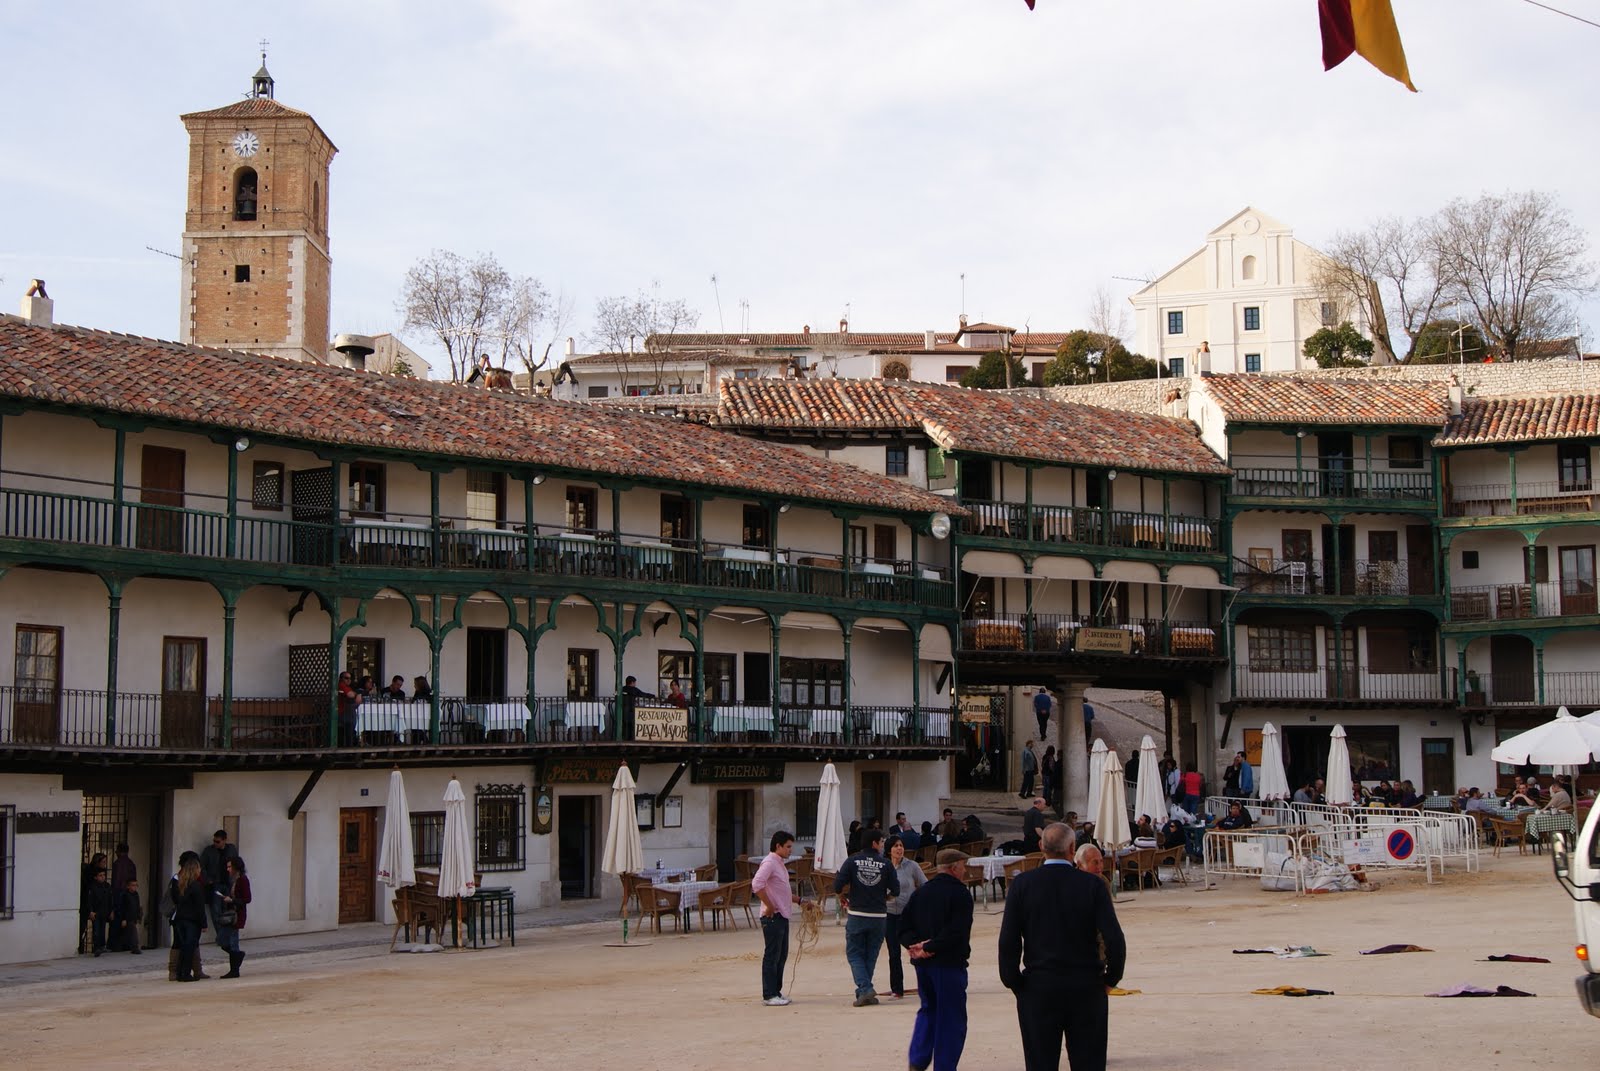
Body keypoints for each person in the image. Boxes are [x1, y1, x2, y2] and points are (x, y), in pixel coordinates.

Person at [999, 822, 1126, 1071]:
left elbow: (1008, 940)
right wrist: (1111, 978)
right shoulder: (1092, 885)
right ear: (1072, 848)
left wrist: (1014, 982)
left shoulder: (1022, 885)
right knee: (1089, 1062)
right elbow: (1114, 938)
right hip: (1086, 986)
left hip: (1039, 985)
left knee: (1040, 1062)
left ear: (1041, 846)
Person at [898, 848, 974, 1071]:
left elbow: (903, 927)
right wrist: (929, 947)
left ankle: (917, 1060)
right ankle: (944, 1066)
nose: (965, 870)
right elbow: (957, 932)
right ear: (954, 868)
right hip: (948, 964)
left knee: (928, 1010)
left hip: (923, 966)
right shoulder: (960, 894)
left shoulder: (921, 893)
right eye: (963, 866)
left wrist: (916, 946)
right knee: (951, 1019)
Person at [834, 828, 899, 1007]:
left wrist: (842, 897)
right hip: (879, 916)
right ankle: (865, 992)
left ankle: (865, 989)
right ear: (874, 843)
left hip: (857, 914)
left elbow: (837, 885)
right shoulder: (886, 864)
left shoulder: (852, 861)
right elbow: (896, 890)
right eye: (882, 842)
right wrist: (885, 898)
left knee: (855, 954)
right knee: (871, 955)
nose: (883, 845)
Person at [752, 830, 795, 1006]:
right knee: (772, 955)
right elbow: (757, 884)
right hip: (772, 916)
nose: (790, 850)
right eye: (788, 847)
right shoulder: (770, 862)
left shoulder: (780, 864)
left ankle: (776, 991)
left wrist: (800, 900)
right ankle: (769, 994)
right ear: (778, 846)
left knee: (781, 955)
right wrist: (769, 905)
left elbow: (781, 890)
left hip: (782, 914)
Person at [884, 834, 927, 1000]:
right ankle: (897, 989)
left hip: (908, 915)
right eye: (895, 846)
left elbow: (925, 885)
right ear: (889, 850)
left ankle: (926, 984)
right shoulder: (884, 866)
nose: (899, 848)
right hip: (889, 915)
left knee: (916, 950)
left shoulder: (912, 866)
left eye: (901, 845)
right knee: (894, 953)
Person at [169, 855, 209, 982]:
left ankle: (180, 972)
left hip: (180, 919)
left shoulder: (181, 884)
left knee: (182, 946)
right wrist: (204, 923)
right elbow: (199, 907)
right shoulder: (196, 886)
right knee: (189, 947)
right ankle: (186, 973)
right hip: (191, 921)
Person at [200, 828, 240, 946]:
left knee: (228, 911)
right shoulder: (209, 851)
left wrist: (236, 880)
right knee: (216, 911)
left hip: (228, 883)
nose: (215, 844)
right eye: (214, 841)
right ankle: (221, 937)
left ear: (224, 840)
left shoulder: (231, 849)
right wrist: (208, 880)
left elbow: (237, 863)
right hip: (215, 884)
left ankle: (227, 936)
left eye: (218, 841)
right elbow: (201, 866)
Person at [215, 856, 252, 977]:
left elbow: (247, 899)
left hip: (237, 915)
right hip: (231, 913)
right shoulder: (234, 880)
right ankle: (236, 961)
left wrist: (232, 900)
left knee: (231, 941)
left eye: (230, 867)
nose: (228, 869)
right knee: (225, 940)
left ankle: (234, 969)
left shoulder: (243, 880)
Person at [79, 851, 107, 954]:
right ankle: (81, 946)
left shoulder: (100, 874)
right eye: (103, 862)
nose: (105, 864)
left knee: (98, 927)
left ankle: (98, 946)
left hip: (97, 905)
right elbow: (88, 890)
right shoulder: (90, 873)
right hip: (87, 902)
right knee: (83, 926)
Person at [85, 866, 113, 956]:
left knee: (102, 930)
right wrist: (91, 911)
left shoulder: (107, 886)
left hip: (104, 912)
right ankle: (96, 947)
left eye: (104, 875)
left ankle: (102, 946)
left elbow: (110, 899)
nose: (102, 877)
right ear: (95, 877)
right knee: (96, 930)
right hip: (96, 912)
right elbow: (89, 900)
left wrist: (111, 911)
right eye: (100, 875)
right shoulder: (92, 887)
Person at [113, 874, 143, 954]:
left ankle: (126, 946)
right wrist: (123, 919)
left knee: (128, 933)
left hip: (133, 917)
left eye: (136, 885)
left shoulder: (136, 894)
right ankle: (134, 947)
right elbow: (122, 907)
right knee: (132, 932)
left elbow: (137, 906)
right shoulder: (124, 895)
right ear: (128, 886)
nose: (134, 887)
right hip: (127, 918)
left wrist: (138, 916)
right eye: (133, 885)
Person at [337, 670, 361, 746]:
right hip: (340, 713)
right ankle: (350, 744)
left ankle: (352, 742)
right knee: (351, 720)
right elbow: (350, 695)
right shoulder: (341, 685)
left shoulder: (348, 687)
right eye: (346, 678)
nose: (349, 680)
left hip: (344, 712)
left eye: (350, 678)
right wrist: (357, 694)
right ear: (341, 679)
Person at [1040, 746, 1059, 810]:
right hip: (1049, 775)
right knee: (1049, 788)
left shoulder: (1044, 756)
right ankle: (1048, 801)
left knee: (1045, 787)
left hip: (1044, 774)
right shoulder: (1050, 757)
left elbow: (1042, 764)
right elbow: (1051, 767)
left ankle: (1043, 799)